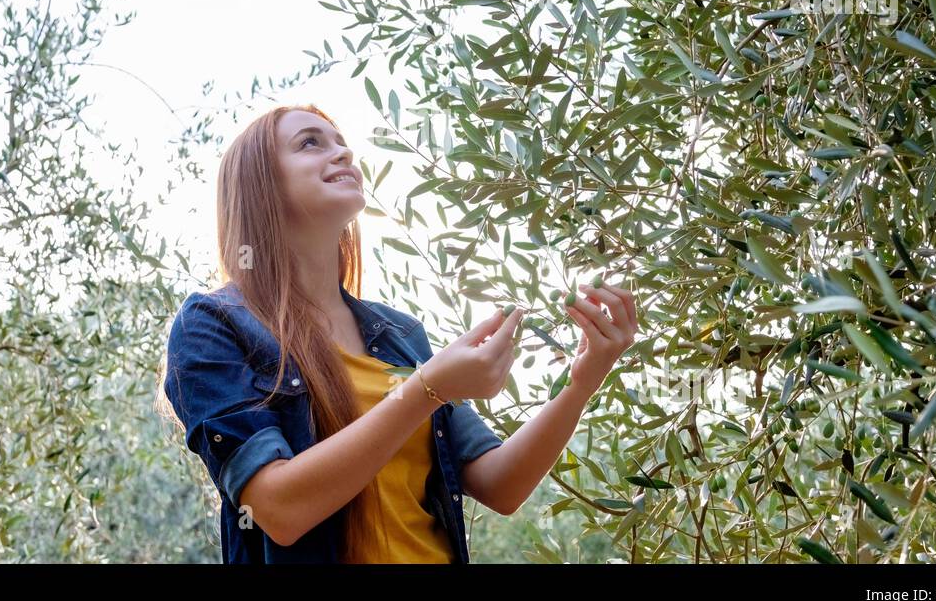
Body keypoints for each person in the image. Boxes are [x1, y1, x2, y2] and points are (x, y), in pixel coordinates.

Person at [158, 103, 638, 562]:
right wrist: (427, 389)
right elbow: (279, 509)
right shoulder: (213, 325)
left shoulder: (399, 335)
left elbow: (501, 484)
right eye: (310, 143)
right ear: (260, 185)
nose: (343, 153)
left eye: (341, 143)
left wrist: (584, 379)